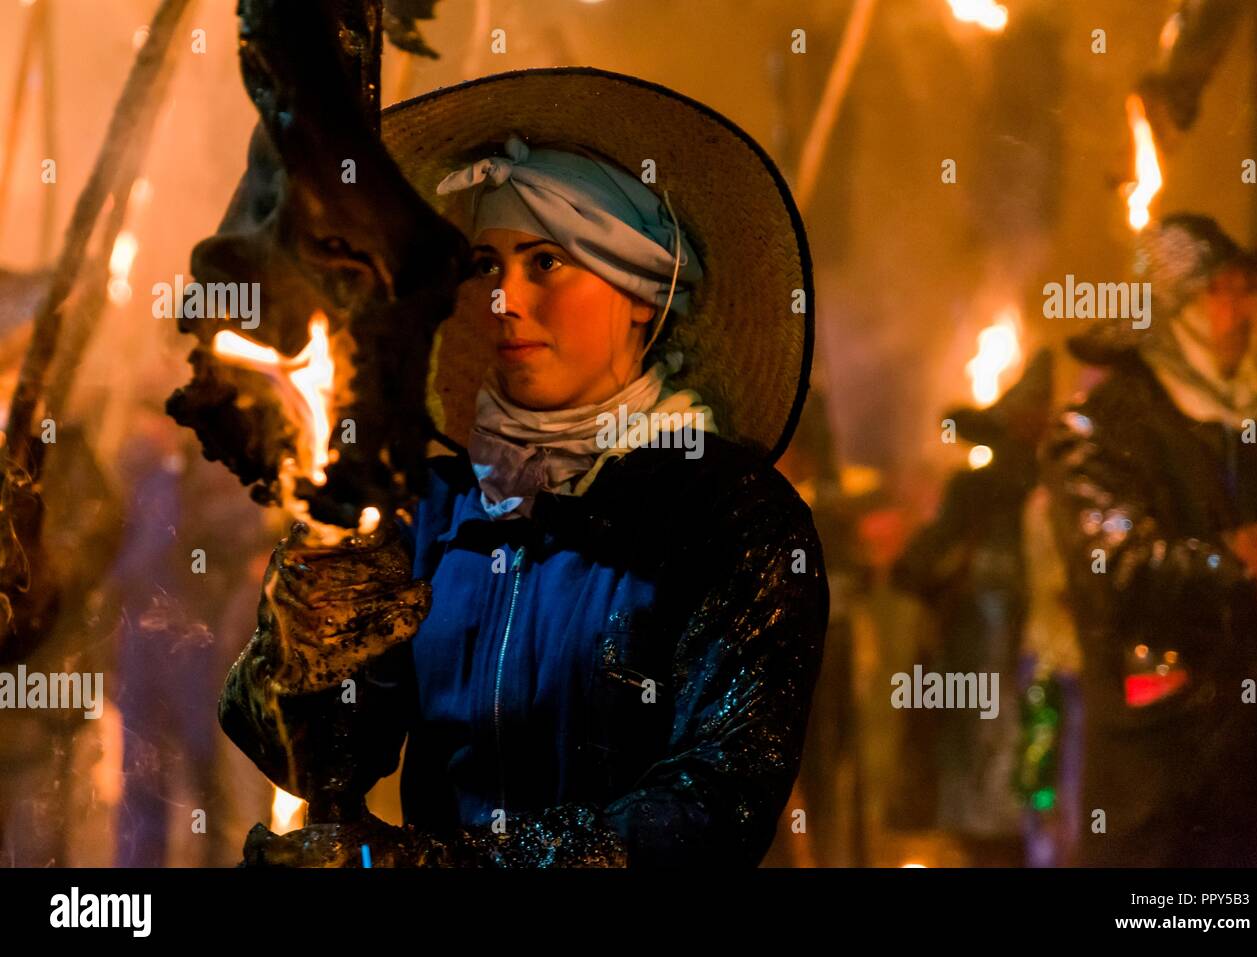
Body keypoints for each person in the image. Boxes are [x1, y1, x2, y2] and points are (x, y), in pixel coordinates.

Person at [218, 67, 829, 867]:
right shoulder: (428, 505)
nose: (504, 300)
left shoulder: (732, 520)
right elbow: (319, 756)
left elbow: (710, 812)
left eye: (545, 262)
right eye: (485, 265)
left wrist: (438, 868)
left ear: (643, 290)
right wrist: (307, 631)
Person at [1039, 213, 1257, 866]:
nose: (1242, 311)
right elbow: (1121, 569)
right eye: (1223, 291)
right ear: (1172, 309)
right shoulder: (1098, 427)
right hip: (1157, 771)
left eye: (1247, 290)